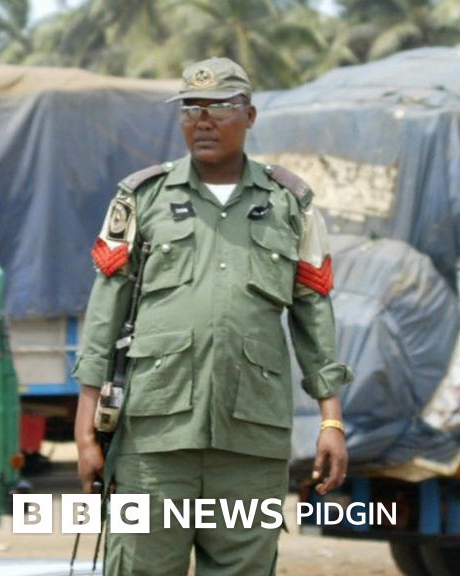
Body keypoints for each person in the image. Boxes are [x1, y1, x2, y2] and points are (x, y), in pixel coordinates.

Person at [72, 57, 353, 575]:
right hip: (154, 440)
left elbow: (314, 313)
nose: (202, 120)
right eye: (190, 109)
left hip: (250, 442)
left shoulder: (291, 204)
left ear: (249, 115)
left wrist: (331, 420)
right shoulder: (142, 198)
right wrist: (86, 431)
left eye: (219, 107)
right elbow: (104, 314)